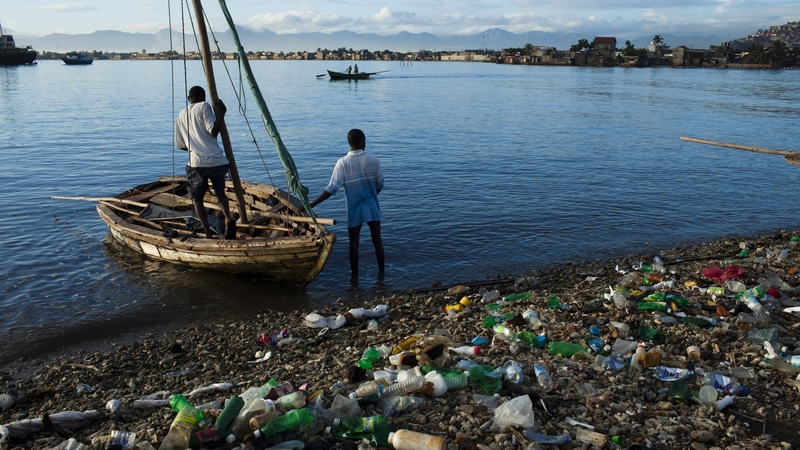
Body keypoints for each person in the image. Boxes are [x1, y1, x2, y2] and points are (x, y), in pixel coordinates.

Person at [310, 129, 384, 279]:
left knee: (354, 243)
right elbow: (380, 184)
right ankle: (382, 273)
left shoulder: (342, 163)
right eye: (365, 141)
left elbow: (331, 188)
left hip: (354, 208)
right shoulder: (373, 159)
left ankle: (355, 277)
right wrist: (371, 195)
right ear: (362, 141)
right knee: (377, 239)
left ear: (349, 143)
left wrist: (313, 203)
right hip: (371, 205)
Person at [175, 85, 237, 239]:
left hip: (196, 164)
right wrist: (222, 113)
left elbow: (181, 145)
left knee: (197, 199)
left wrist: (195, 147)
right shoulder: (204, 106)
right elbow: (213, 130)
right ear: (203, 97)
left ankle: (208, 234)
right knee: (220, 193)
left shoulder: (181, 115)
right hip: (217, 161)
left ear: (189, 99)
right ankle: (228, 217)